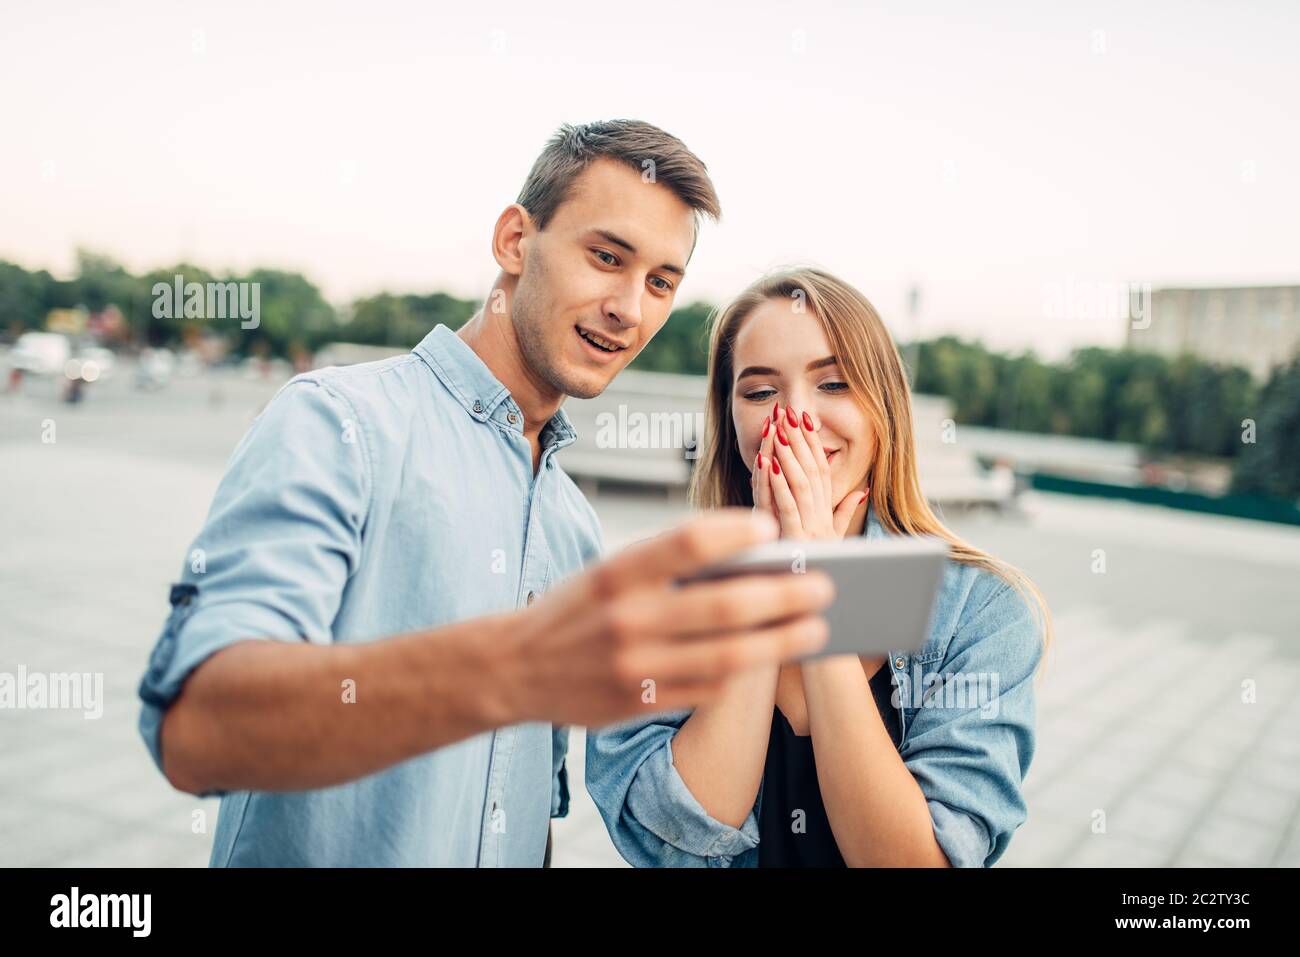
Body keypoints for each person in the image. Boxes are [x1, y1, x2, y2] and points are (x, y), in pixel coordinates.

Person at [136, 121, 837, 867]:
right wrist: (514, 666)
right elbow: (196, 726)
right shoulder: (340, 424)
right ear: (513, 241)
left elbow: (515, 808)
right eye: (607, 257)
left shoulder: (571, 522)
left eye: (661, 282)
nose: (630, 308)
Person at [585, 267, 1054, 867]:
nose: (794, 416)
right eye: (759, 392)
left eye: (832, 385)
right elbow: (670, 838)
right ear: (729, 419)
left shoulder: (981, 611)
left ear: (881, 406)